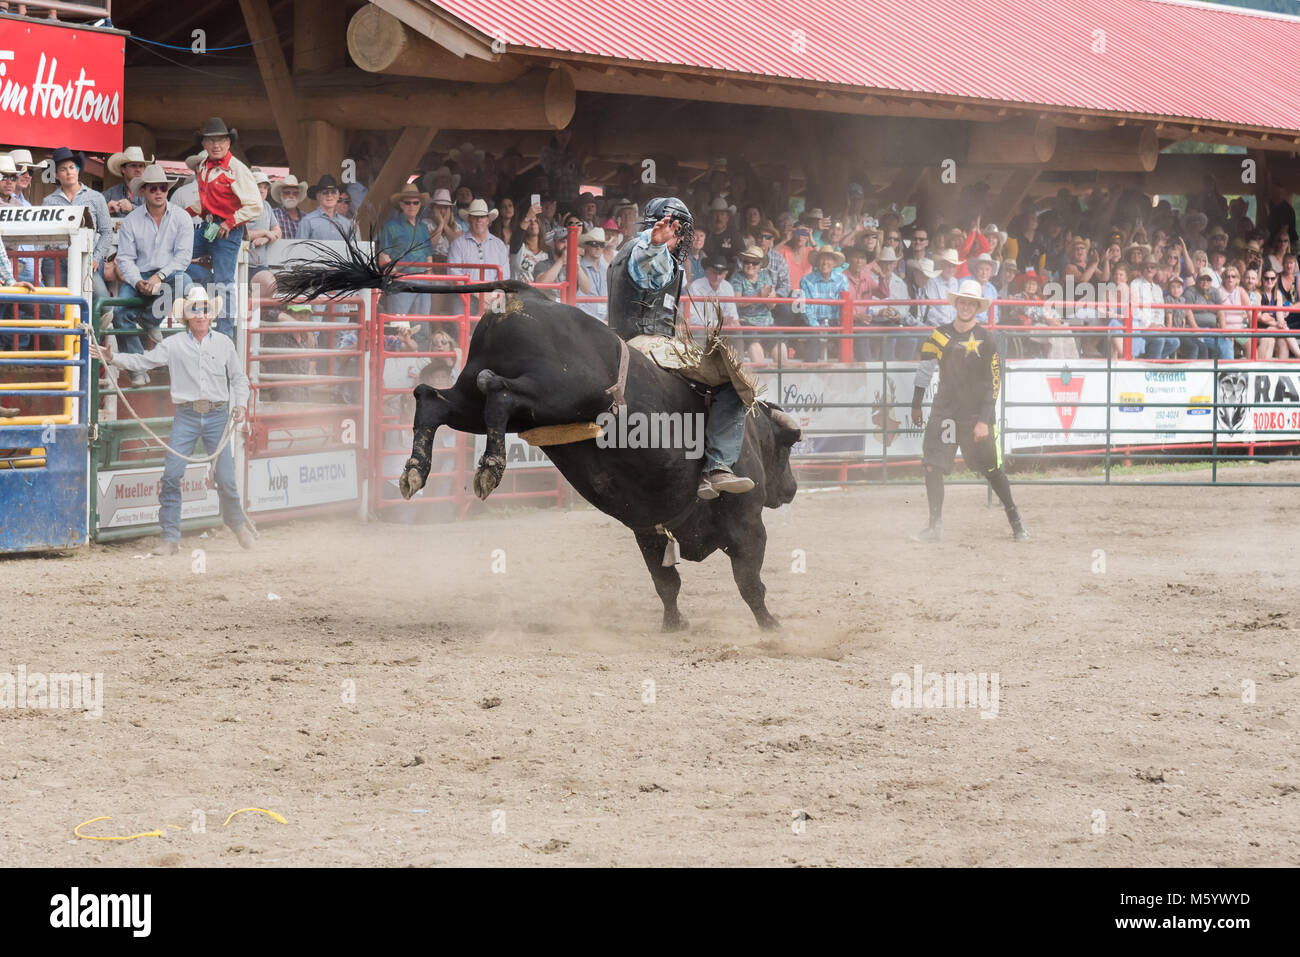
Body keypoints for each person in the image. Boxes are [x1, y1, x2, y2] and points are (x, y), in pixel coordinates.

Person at [607, 197, 757, 499]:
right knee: (733, 382)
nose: (679, 237)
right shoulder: (646, 250)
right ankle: (717, 467)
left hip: (630, 341)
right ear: (658, 227)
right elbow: (649, 265)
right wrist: (655, 243)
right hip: (646, 343)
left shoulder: (627, 253)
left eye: (680, 231)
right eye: (676, 229)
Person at [88, 287, 254, 556]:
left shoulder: (224, 343)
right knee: (171, 476)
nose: (200, 314)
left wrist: (241, 405)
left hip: (217, 415)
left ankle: (237, 525)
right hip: (187, 416)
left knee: (225, 478)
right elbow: (145, 360)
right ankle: (170, 538)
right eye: (194, 309)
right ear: (186, 316)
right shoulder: (174, 345)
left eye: (204, 309)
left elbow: (238, 378)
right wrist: (113, 357)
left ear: (211, 314)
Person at [910, 278, 1028, 544]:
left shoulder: (988, 339)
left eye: (970, 303)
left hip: (975, 415)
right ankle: (934, 524)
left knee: (991, 469)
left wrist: (985, 420)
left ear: (977, 306)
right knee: (931, 465)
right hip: (944, 412)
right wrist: (916, 403)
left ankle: (1015, 517)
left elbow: (993, 383)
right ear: (957, 304)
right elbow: (925, 370)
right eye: (962, 302)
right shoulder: (939, 335)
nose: (965, 306)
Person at [112, 164, 195, 368]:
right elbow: (125, 258)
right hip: (139, 275)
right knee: (118, 313)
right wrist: (138, 281)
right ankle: (137, 366)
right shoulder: (132, 220)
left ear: (168, 190)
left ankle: (149, 320)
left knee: (184, 282)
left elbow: (183, 258)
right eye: (153, 188)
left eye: (163, 188)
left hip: (167, 276)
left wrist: (159, 276)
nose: (159, 192)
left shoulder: (182, 217)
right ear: (143, 190)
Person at [185, 119, 262, 338]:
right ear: (204, 144)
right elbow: (206, 202)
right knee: (178, 257)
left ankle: (226, 336)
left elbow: (255, 205)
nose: (216, 144)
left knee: (225, 283)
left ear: (228, 142)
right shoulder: (203, 167)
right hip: (211, 225)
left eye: (220, 140)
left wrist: (229, 222)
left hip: (228, 228)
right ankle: (208, 282)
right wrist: (185, 213)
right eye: (211, 140)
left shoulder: (237, 169)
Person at [377, 182, 435, 321]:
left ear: (420, 204)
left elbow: (428, 255)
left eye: (415, 202)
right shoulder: (390, 227)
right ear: (401, 205)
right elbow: (384, 255)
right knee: (399, 324)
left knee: (422, 323)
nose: (412, 206)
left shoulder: (423, 228)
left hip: (422, 281)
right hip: (401, 280)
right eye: (407, 203)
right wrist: (397, 276)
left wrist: (428, 277)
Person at [799, 245, 849, 362]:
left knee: (848, 344)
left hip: (835, 322)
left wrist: (838, 325)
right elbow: (805, 307)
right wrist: (815, 325)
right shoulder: (806, 280)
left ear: (834, 262)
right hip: (814, 322)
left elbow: (844, 306)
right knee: (812, 346)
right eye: (822, 258)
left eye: (829, 258)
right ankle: (810, 376)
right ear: (817, 262)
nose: (825, 262)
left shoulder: (842, 279)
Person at [297, 174, 354, 241]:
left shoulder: (346, 224)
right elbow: (299, 250)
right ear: (318, 196)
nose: (329, 195)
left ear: (338, 196)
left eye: (333, 192)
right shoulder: (307, 221)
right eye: (325, 192)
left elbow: (352, 250)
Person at [103, 145, 154, 216]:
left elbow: (159, 215)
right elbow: (91, 213)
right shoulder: (110, 193)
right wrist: (105, 210)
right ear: (123, 169)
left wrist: (132, 208)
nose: (138, 169)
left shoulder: (153, 192)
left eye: (141, 166)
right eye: (133, 165)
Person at [574, 226, 611, 321]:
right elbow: (577, 304)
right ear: (586, 246)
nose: (598, 248)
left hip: (606, 322)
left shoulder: (605, 269)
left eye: (602, 245)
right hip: (585, 322)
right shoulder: (577, 267)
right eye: (594, 244)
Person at [269, 173, 306, 239]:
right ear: (280, 195)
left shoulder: (306, 217)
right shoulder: (272, 214)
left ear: (298, 195)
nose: (291, 196)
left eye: (295, 193)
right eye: (287, 192)